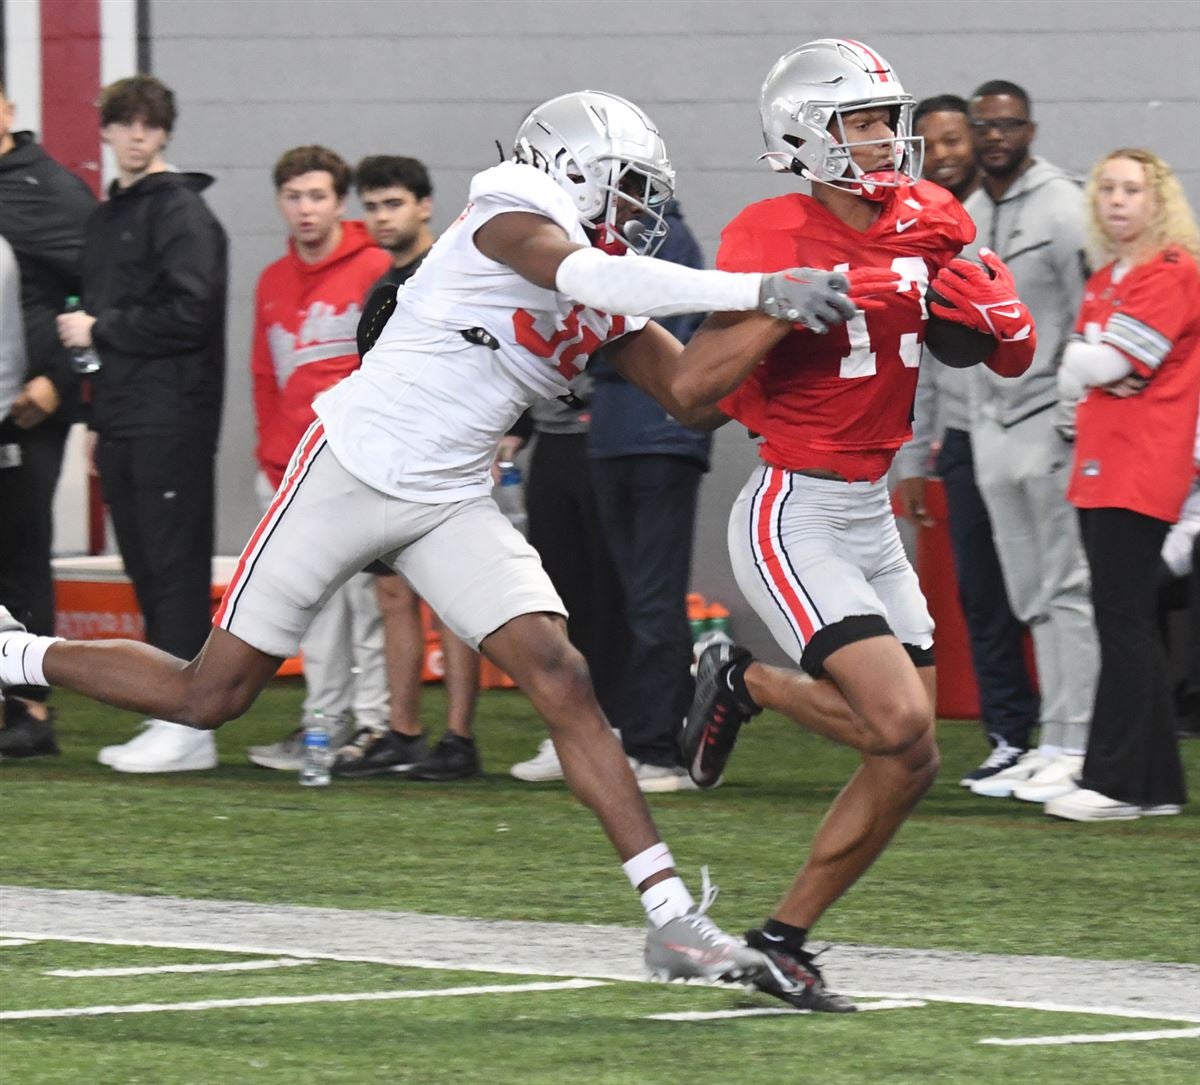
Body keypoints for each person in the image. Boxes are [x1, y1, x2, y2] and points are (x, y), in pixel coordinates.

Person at [2, 89, 869, 983]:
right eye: (630, 188)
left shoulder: (608, 271)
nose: (642, 212)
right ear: (572, 172)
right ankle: (18, 654)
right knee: (207, 696)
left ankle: (673, 920)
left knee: (563, 676)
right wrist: (757, 289)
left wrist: (788, 322)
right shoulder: (510, 204)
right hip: (350, 469)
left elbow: (691, 392)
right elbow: (585, 278)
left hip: (451, 497)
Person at [678, 40, 1035, 1011]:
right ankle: (741, 676)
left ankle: (783, 937)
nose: (886, 138)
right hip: (794, 506)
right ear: (805, 134)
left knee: (911, 757)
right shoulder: (766, 228)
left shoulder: (930, 213)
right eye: (862, 121)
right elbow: (693, 394)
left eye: (887, 117)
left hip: (870, 507)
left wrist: (1000, 323)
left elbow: (985, 349)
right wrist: (780, 309)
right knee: (901, 718)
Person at [55, 74, 227, 774]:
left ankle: (189, 725)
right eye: (124, 122)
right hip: (124, 415)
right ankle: (173, 713)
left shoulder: (181, 212)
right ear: (107, 129)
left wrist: (103, 326)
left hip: (171, 417)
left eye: (148, 124)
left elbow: (192, 313)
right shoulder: (108, 216)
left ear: (164, 132)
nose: (135, 135)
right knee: (147, 568)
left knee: (173, 568)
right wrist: (95, 416)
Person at [509, 198, 710, 792]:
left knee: (651, 600)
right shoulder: (620, 238)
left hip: (657, 436)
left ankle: (660, 746)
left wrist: (586, 337)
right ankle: (627, 732)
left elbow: (648, 336)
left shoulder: (666, 234)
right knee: (618, 599)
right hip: (617, 437)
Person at [951, 80, 1099, 805]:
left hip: (1051, 416)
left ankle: (1078, 738)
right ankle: (1050, 739)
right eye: (986, 125)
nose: (997, 136)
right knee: (1027, 593)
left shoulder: (1066, 205)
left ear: (1031, 130)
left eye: (1009, 125)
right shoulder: (969, 216)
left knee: (1068, 586)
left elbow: (1091, 311)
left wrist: (1076, 406)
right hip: (990, 424)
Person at [1045, 149, 1200, 821]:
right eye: (1106, 187)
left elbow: (1104, 359)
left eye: (1132, 189)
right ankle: (1153, 782)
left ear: (1158, 200)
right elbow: (1080, 368)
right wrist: (1090, 365)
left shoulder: (1172, 273)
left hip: (1143, 466)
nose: (1116, 200)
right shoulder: (1108, 275)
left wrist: (1091, 363)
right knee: (1124, 617)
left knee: (1123, 618)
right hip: (1101, 463)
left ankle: (1120, 783)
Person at [894, 94, 1039, 787]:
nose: (948, 152)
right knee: (980, 594)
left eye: (958, 139)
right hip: (959, 436)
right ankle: (1010, 733)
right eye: (935, 142)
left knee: (1043, 589)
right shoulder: (915, 230)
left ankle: (1068, 737)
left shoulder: (1003, 219)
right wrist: (916, 454)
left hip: (1031, 432)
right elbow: (916, 358)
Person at [333, 154, 483, 781]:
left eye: (392, 204)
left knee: (452, 599)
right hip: (388, 455)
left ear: (424, 205)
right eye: (370, 206)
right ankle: (402, 732)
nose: (381, 217)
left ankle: (458, 739)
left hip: (448, 456)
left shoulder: (453, 272)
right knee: (392, 593)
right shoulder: (382, 287)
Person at [243, 145, 392, 772]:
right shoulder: (272, 281)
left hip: (356, 467)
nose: (306, 209)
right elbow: (263, 375)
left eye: (318, 196)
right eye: (294, 197)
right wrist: (270, 455)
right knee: (314, 613)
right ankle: (321, 729)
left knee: (368, 607)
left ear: (339, 202)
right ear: (281, 202)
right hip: (285, 472)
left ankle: (377, 728)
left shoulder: (377, 267)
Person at [0, 81, 96, 760]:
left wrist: (58, 382)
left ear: (7, 111)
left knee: (21, 552)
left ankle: (31, 711)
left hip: (28, 407)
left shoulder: (50, 189)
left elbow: (97, 286)